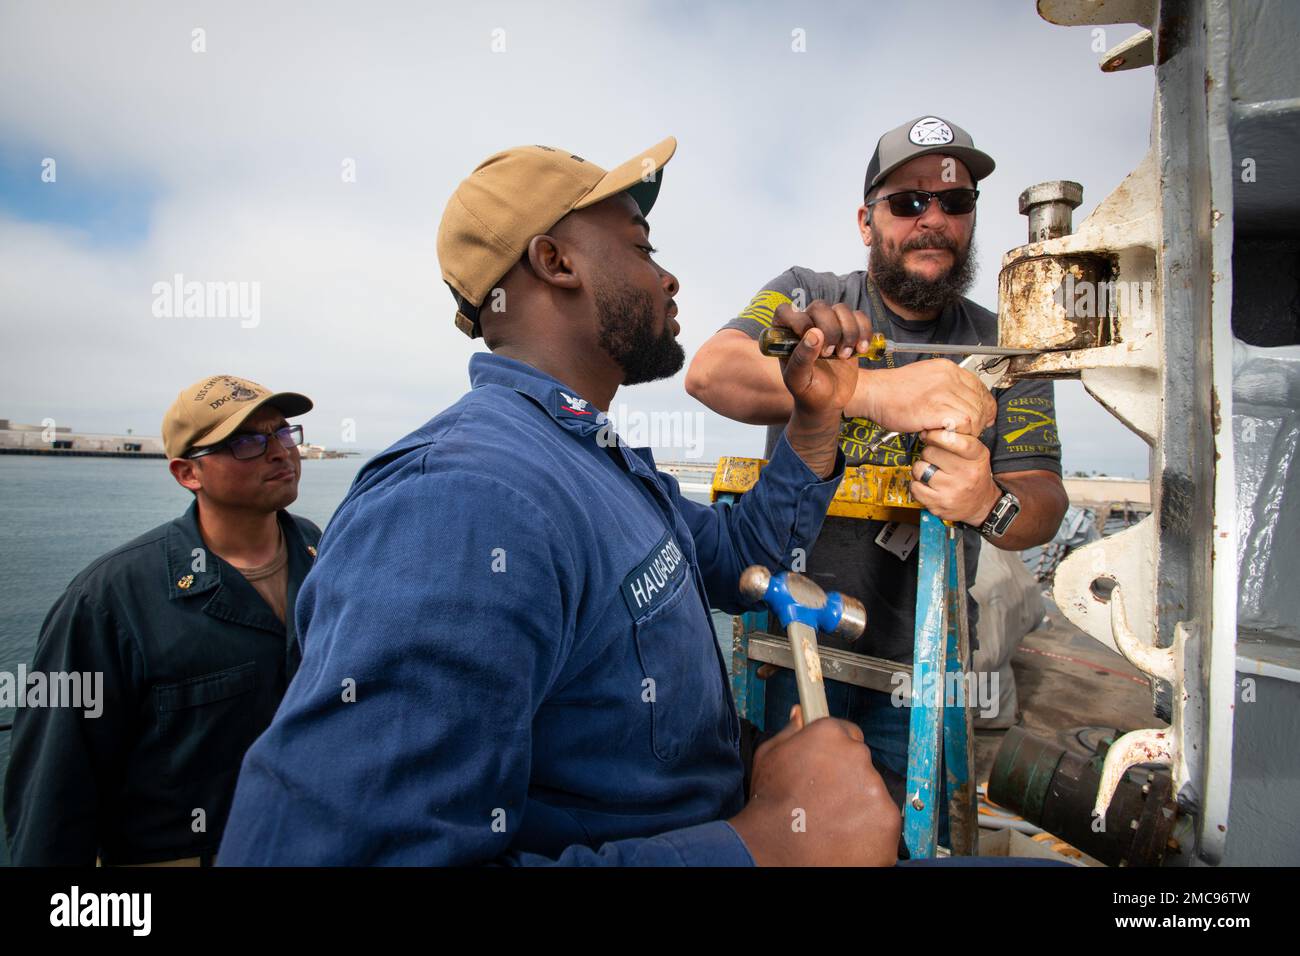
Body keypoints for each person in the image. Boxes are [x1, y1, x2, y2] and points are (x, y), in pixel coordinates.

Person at [218, 137, 901, 866]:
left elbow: (743, 560)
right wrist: (762, 847)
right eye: (642, 248)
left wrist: (815, 418)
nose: (669, 278)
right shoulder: (465, 499)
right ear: (555, 262)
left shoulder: (593, 460)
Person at [686, 115, 1069, 842]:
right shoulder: (807, 300)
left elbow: (1042, 504)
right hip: (788, 637)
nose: (933, 220)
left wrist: (989, 503)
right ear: (868, 221)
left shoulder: (1008, 348)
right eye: (908, 203)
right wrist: (873, 393)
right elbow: (712, 373)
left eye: (955, 205)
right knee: (786, 828)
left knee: (894, 834)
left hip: (918, 665)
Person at [4, 376, 320, 865]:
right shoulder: (110, 600)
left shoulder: (319, 552)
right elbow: (54, 788)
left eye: (282, 432)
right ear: (187, 474)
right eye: (246, 442)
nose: (280, 452)